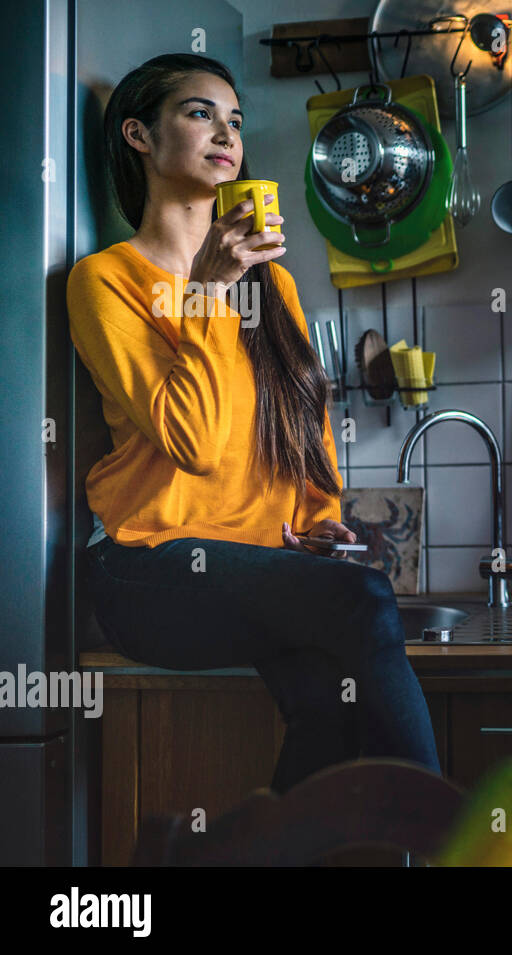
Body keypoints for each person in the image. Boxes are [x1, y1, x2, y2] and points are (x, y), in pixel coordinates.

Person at [68, 53, 439, 793]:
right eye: (200, 113)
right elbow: (194, 442)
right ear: (139, 136)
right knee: (362, 601)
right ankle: (444, 839)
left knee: (326, 702)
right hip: (147, 568)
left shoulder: (274, 284)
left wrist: (319, 520)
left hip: (255, 563)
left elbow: (303, 418)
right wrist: (207, 290)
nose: (226, 132)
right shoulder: (107, 280)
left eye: (235, 119)